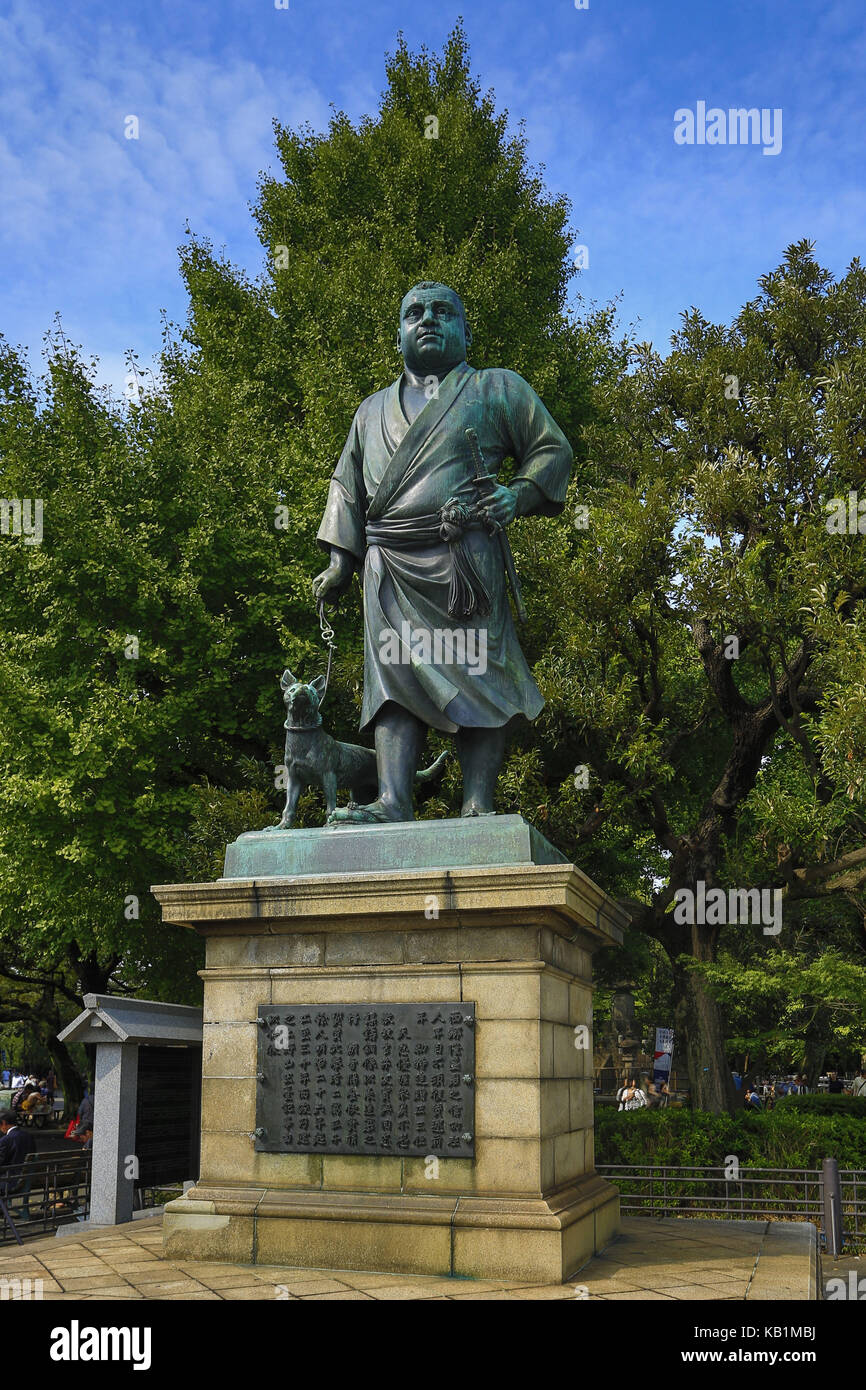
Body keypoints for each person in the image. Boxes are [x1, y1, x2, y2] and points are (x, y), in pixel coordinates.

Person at [313, 281, 573, 824]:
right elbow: (346, 485)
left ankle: (478, 804)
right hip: (389, 565)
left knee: (477, 667)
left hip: (465, 558)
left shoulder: (497, 388)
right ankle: (392, 799)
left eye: (442, 311)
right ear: (400, 332)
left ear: (465, 330)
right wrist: (341, 560)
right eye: (414, 312)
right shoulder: (370, 411)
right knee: (391, 677)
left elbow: (552, 449)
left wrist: (516, 495)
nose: (427, 319)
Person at [0, 1109, 36, 1202]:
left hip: (11, 1181)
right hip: (28, 1179)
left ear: (3, 1123)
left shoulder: (6, 1140)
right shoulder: (28, 1136)